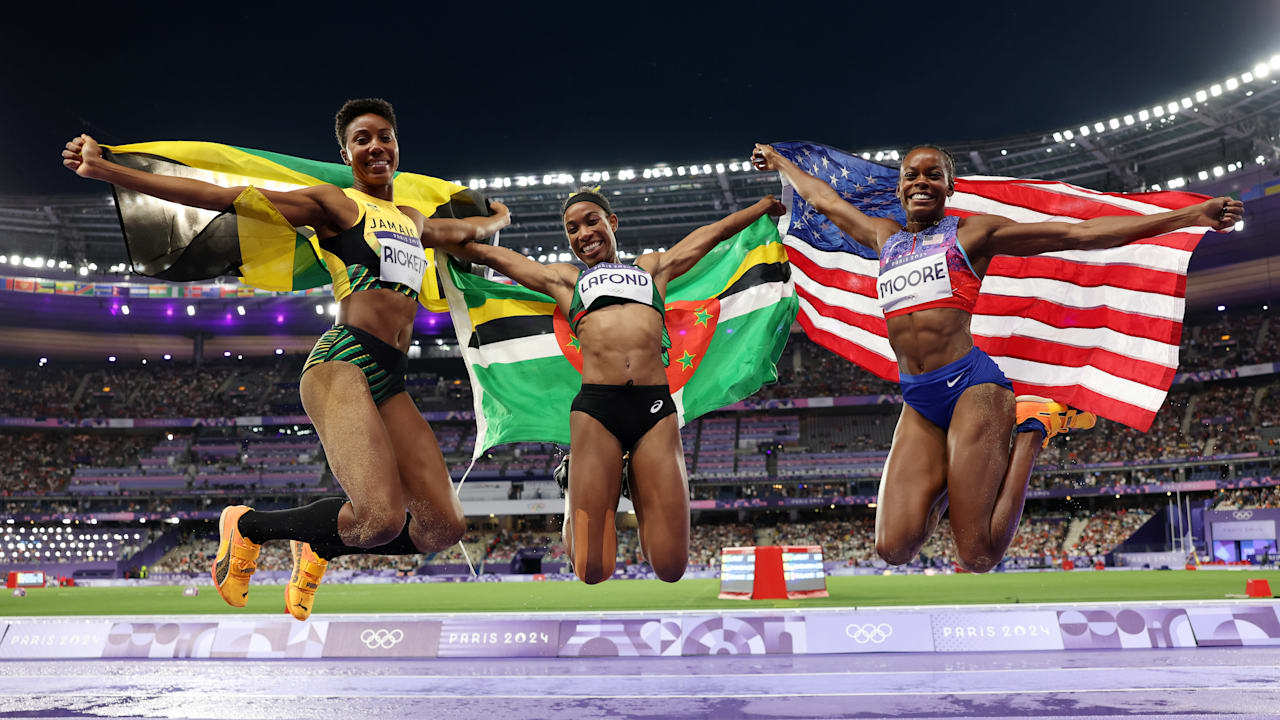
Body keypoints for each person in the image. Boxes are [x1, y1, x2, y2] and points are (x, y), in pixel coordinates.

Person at [63, 98, 510, 617]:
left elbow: (457, 235)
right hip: (343, 360)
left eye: (383, 136)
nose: (375, 147)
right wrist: (106, 170)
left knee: (442, 527)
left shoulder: (411, 217)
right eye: (361, 140)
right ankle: (248, 526)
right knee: (380, 519)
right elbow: (221, 196)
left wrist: (495, 217)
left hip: (393, 377)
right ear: (346, 155)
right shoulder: (335, 205)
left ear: (396, 144)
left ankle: (318, 543)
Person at [752, 142, 1242, 572]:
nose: (921, 182)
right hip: (919, 399)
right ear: (899, 188)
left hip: (973, 389)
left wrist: (1188, 217)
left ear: (948, 187)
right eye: (911, 175)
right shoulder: (885, 239)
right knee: (893, 547)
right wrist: (780, 161)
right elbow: (825, 199)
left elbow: (1079, 236)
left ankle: (1033, 428)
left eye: (932, 175)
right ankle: (959, 470)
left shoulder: (973, 235)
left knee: (978, 555)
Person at [450, 188, 785, 583]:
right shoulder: (565, 279)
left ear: (612, 222)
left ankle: (633, 480)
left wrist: (762, 207)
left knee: (671, 566)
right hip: (597, 412)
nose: (583, 233)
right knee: (592, 569)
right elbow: (484, 253)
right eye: (572, 228)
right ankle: (574, 478)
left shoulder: (651, 270)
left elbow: (711, 234)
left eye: (592, 220)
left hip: (653, 410)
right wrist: (495, 221)